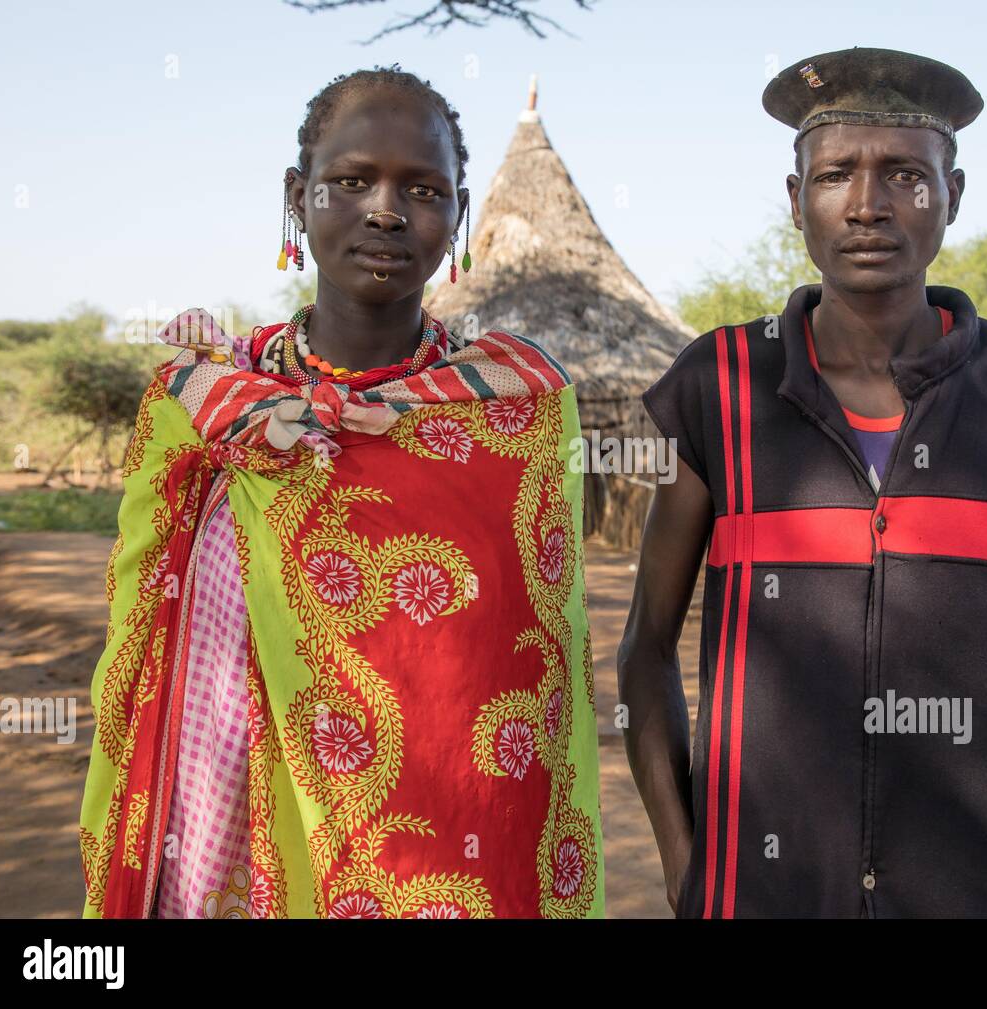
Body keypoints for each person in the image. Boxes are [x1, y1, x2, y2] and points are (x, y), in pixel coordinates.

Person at [79, 66, 603, 919]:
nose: (387, 210)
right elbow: (143, 649)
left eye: (423, 189)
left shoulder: (513, 413)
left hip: (449, 862)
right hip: (223, 859)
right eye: (353, 180)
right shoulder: (206, 405)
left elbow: (534, 689)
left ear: (457, 215)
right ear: (298, 195)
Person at [618, 48, 987, 918]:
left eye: (907, 176)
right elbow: (646, 648)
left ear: (954, 195)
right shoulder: (718, 383)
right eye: (837, 173)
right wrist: (685, 863)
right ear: (796, 197)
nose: (871, 204)